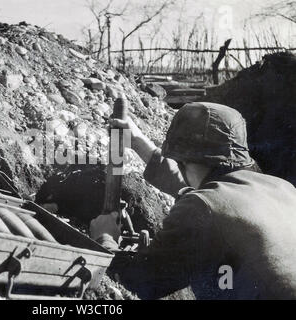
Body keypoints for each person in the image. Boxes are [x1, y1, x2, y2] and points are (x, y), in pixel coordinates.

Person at [90, 102, 296, 299]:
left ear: (184, 160)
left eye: (179, 161)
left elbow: (139, 281)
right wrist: (137, 141)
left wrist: (105, 239)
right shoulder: (282, 188)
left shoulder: (204, 206)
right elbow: (197, 189)